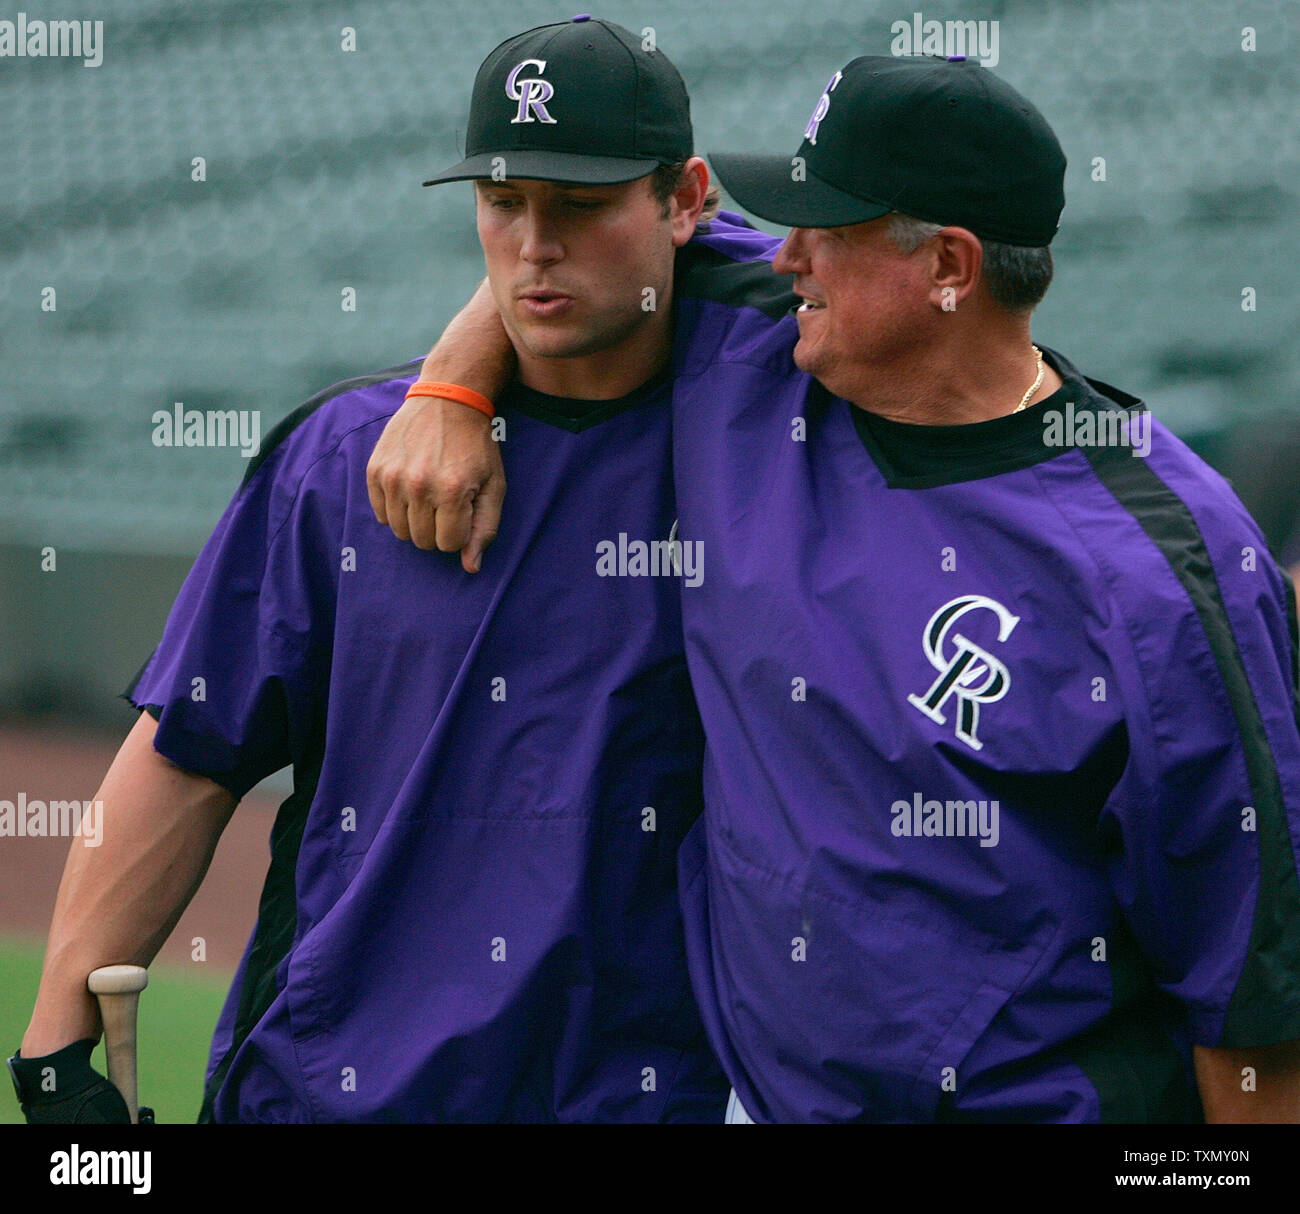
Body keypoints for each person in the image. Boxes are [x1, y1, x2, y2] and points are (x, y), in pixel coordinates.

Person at [370, 55, 1300, 1121]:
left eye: (827, 226)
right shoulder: (760, 336)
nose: (787, 252)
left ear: (948, 264)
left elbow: (1254, 1011)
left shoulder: (1163, 575)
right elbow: (568, 251)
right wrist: (449, 386)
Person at [10, 16, 731, 1124]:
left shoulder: (769, 445)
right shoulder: (342, 457)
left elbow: (852, 286)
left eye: (579, 205)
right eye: (502, 203)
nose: (533, 243)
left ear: (684, 199)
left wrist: (458, 371)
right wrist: (55, 1046)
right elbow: (190, 750)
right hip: (328, 1089)